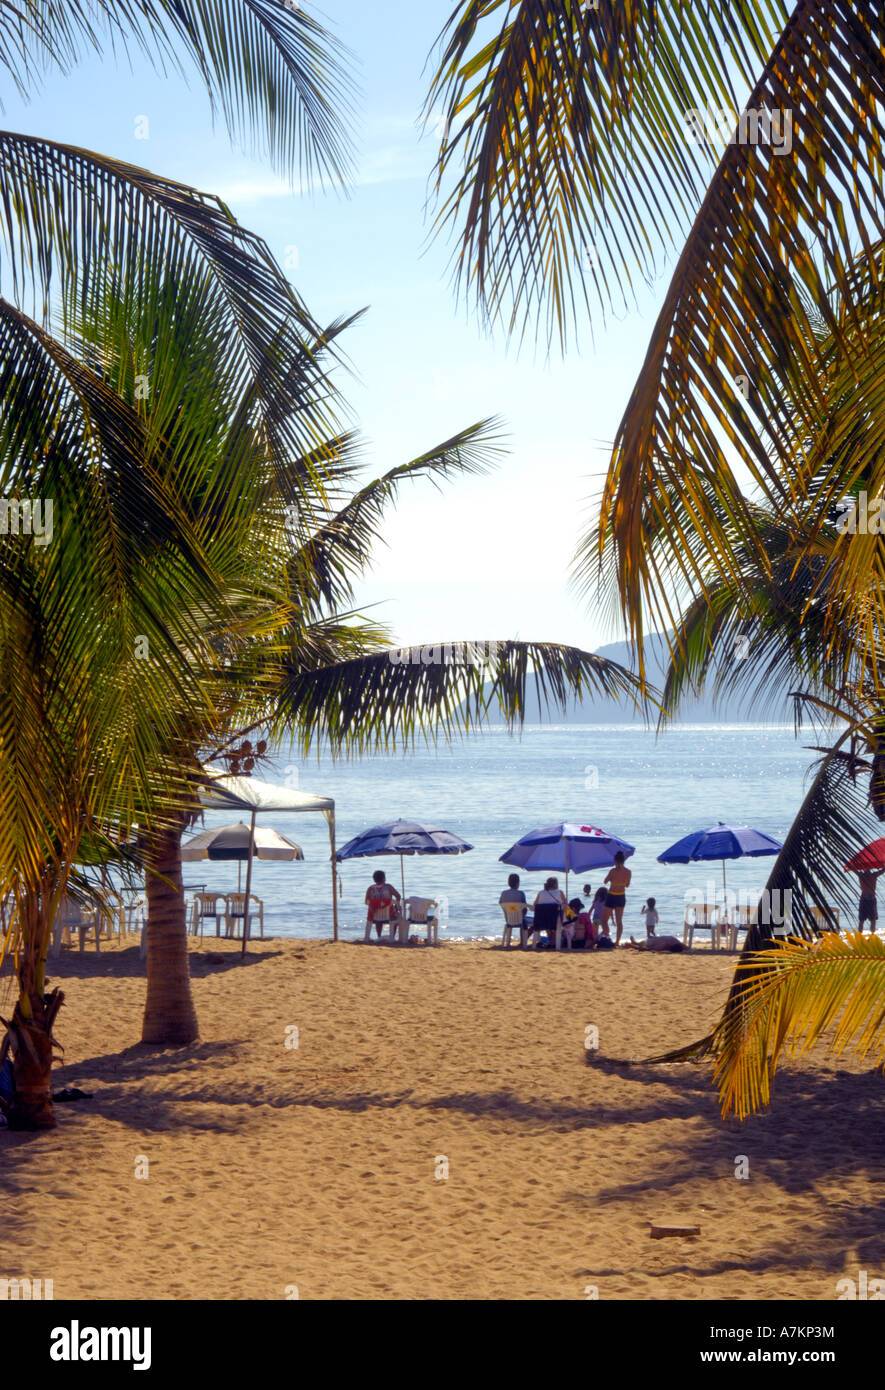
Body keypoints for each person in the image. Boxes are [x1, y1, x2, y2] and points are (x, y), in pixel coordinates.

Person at [601, 851, 632, 945]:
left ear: (615, 861)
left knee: (604, 920)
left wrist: (612, 879)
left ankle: (606, 935)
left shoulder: (613, 871)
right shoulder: (628, 872)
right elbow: (627, 885)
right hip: (621, 896)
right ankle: (617, 941)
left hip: (611, 895)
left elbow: (605, 881)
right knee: (619, 921)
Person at [531, 876, 568, 949]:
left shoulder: (541, 893)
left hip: (541, 921)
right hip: (555, 921)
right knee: (556, 916)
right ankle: (553, 942)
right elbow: (565, 905)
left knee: (547, 916)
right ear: (555, 884)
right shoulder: (560, 892)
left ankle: (551, 941)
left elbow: (535, 905)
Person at [364, 869, 401, 939]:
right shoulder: (388, 887)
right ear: (384, 879)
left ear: (374, 880)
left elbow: (366, 902)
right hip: (389, 915)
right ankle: (392, 936)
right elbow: (398, 896)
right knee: (397, 918)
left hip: (375, 914)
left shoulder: (370, 889)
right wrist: (396, 905)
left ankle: (379, 936)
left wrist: (376, 903)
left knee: (378, 918)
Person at [857, 866, 884, 932]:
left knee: (869, 920)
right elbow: (882, 870)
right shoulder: (872, 875)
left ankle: (869, 935)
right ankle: (864, 936)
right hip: (869, 898)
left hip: (866, 898)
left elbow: (883, 871)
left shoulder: (862, 875)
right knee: (866, 920)